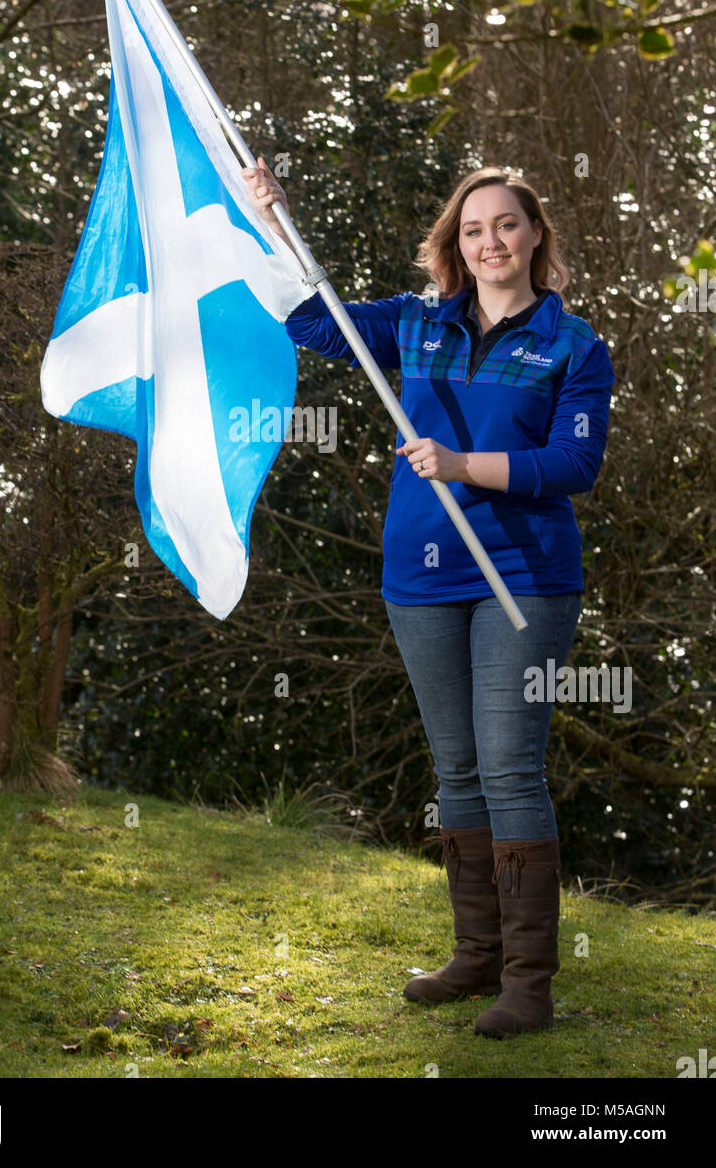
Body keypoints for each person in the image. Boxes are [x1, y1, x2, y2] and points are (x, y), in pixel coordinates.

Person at [242, 156, 616, 1039]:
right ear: (457, 243)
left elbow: (575, 466)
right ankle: (474, 957)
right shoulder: (413, 325)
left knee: (511, 768)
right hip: (419, 577)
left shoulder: (574, 344)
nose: (491, 241)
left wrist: (460, 466)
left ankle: (529, 985)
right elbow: (309, 322)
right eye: (474, 229)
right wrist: (272, 221)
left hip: (522, 578)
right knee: (457, 772)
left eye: (508, 226)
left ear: (535, 239)